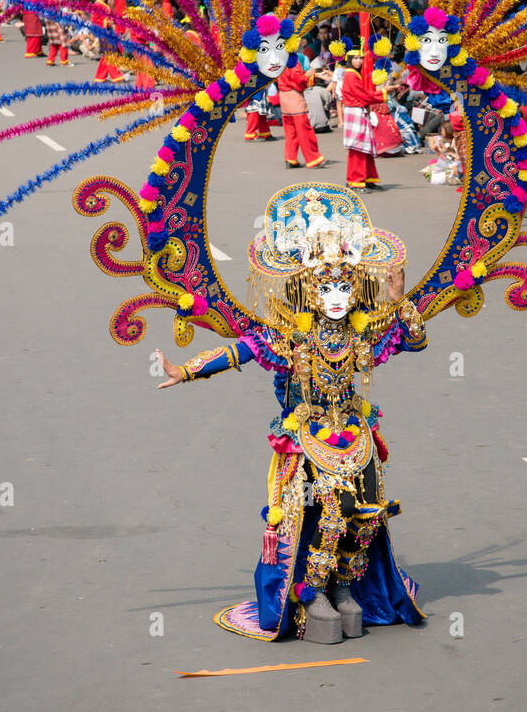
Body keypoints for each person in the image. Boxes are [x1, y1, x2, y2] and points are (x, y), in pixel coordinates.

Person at [154, 185, 428, 643]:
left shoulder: (361, 336)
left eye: (345, 286)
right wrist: (186, 370)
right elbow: (239, 350)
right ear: (307, 290)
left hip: (356, 437)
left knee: (365, 516)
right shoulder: (292, 339)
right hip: (308, 442)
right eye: (326, 287)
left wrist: (399, 300)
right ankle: (312, 592)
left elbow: (414, 341)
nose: (338, 296)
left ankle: (344, 587)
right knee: (330, 514)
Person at [341, 43, 386, 190]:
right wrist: (383, 93)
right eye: (356, 58)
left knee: (363, 147)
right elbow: (363, 95)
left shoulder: (352, 74)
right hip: (355, 112)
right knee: (358, 148)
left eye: (361, 58)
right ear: (349, 59)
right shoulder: (351, 75)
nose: (359, 61)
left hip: (357, 111)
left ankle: (367, 178)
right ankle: (356, 181)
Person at [91, 0, 125, 83]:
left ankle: (100, 77)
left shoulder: (106, 5)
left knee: (108, 54)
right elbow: (93, 20)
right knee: (110, 54)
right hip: (103, 32)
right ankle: (116, 76)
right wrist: (106, 22)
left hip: (108, 31)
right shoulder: (97, 4)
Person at [43, 0, 71, 66]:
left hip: (50, 24)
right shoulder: (52, 1)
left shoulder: (50, 0)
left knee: (54, 43)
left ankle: (50, 60)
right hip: (56, 23)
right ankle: (64, 60)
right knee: (63, 42)